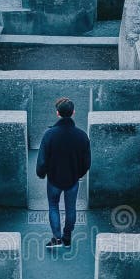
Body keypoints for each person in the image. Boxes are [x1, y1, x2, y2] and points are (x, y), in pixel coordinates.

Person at [36, 97, 91, 249]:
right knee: (70, 208)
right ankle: (67, 238)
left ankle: (57, 238)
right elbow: (87, 163)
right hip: (72, 180)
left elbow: (41, 161)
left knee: (53, 206)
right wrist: (78, 174)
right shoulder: (81, 136)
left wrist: (41, 173)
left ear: (57, 114)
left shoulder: (49, 135)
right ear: (73, 113)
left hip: (54, 180)